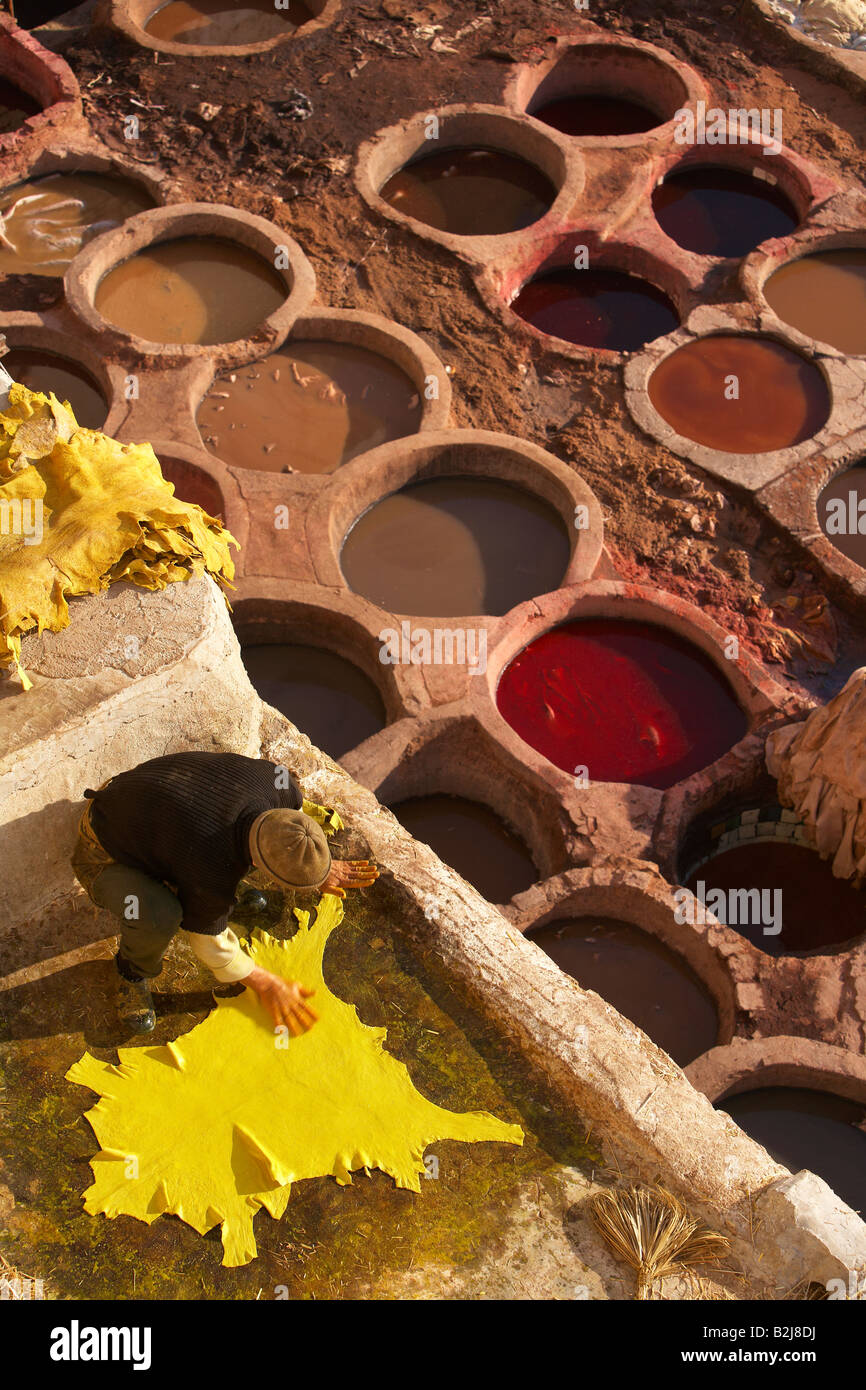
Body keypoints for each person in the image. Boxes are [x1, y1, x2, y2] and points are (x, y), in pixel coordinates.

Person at [71, 750, 377, 1036]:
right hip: (105, 845)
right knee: (158, 916)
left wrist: (316, 865)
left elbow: (293, 834)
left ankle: (186, 882)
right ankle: (130, 972)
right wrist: (266, 984)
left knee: (214, 870)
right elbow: (208, 944)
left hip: (153, 810)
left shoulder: (282, 787)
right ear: (256, 861)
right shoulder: (212, 864)